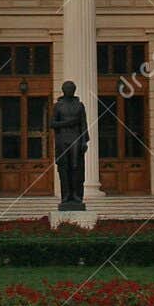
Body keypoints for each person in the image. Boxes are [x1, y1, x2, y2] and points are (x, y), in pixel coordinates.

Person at [50, 80, 89, 209]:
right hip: (62, 141)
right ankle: (65, 196)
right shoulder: (58, 106)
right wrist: (69, 123)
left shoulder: (79, 105)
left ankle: (76, 195)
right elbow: (52, 124)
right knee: (64, 168)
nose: (69, 90)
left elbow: (84, 124)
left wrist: (84, 141)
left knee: (76, 168)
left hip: (76, 140)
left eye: (71, 88)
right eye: (67, 88)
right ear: (63, 90)